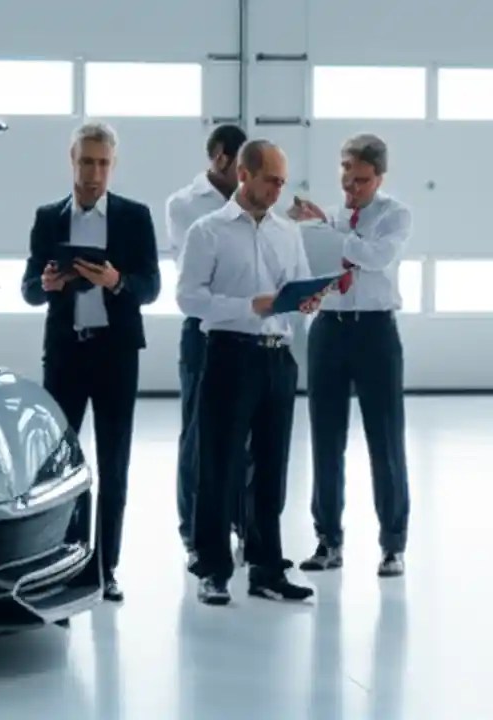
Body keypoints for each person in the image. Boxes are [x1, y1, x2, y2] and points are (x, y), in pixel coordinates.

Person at [176, 139, 325, 606]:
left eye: (282, 181)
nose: (279, 189)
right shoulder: (208, 231)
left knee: (271, 468)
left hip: (277, 358)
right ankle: (213, 569)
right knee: (217, 466)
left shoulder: (287, 232)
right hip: (228, 354)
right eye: (272, 180)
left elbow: (296, 288)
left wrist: (307, 302)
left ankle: (266, 568)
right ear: (244, 175)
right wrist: (249, 306)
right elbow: (189, 298)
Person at [20, 121, 161, 602]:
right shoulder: (48, 217)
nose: (94, 172)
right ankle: (58, 561)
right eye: (86, 161)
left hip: (116, 354)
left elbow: (151, 286)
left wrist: (118, 281)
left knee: (114, 463)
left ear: (112, 165)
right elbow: (28, 291)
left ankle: (106, 567)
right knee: (57, 466)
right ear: (72, 161)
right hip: (65, 354)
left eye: (102, 162)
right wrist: (46, 285)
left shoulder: (134, 216)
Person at [289, 133, 411, 578]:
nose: (350, 186)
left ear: (379, 177)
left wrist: (330, 231)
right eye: (345, 173)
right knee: (325, 439)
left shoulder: (394, 215)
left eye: (361, 179)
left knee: (386, 442)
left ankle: (393, 546)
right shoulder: (329, 217)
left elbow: (376, 257)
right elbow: (311, 268)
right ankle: (327, 541)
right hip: (329, 332)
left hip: (376, 332)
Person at [164, 123, 249, 566]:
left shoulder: (250, 203)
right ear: (219, 158)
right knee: (198, 433)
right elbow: (198, 273)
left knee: (244, 434)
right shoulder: (184, 205)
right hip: (202, 330)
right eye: (242, 165)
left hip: (245, 331)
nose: (247, 176)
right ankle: (193, 531)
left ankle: (239, 524)